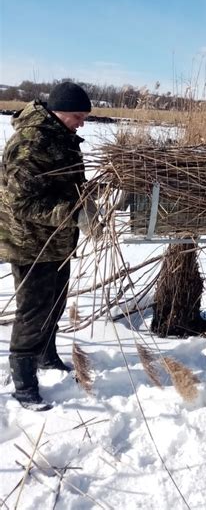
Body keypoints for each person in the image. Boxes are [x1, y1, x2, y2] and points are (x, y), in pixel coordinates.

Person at [0, 81, 100, 411]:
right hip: (31, 243)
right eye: (77, 116)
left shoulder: (61, 137)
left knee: (55, 303)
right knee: (33, 311)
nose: (82, 123)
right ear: (58, 112)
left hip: (57, 241)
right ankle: (25, 384)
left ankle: (46, 355)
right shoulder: (30, 144)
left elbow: (65, 184)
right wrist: (73, 214)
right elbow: (21, 203)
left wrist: (88, 197)